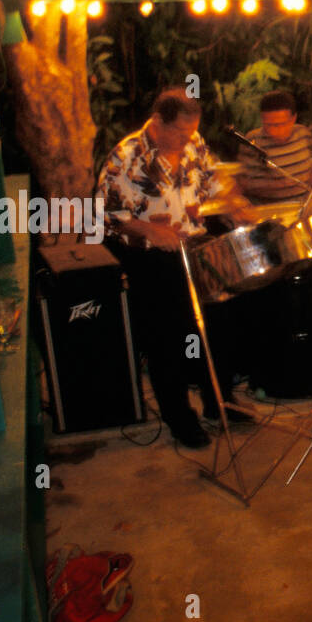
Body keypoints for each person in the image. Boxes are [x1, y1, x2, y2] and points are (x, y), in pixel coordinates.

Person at [97, 87, 247, 448]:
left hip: (193, 247)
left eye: (190, 131)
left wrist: (232, 201)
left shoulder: (193, 143)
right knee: (168, 341)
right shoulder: (126, 157)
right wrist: (149, 228)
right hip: (150, 257)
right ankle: (180, 417)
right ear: (158, 122)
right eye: (179, 132)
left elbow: (213, 180)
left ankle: (219, 402)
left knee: (212, 328)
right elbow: (107, 215)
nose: (187, 139)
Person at [236, 90, 312, 204]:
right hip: (270, 209)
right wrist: (279, 184)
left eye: (281, 124)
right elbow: (246, 183)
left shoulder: (303, 134)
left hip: (303, 205)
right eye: (268, 125)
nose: (275, 131)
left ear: (293, 119)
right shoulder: (253, 141)